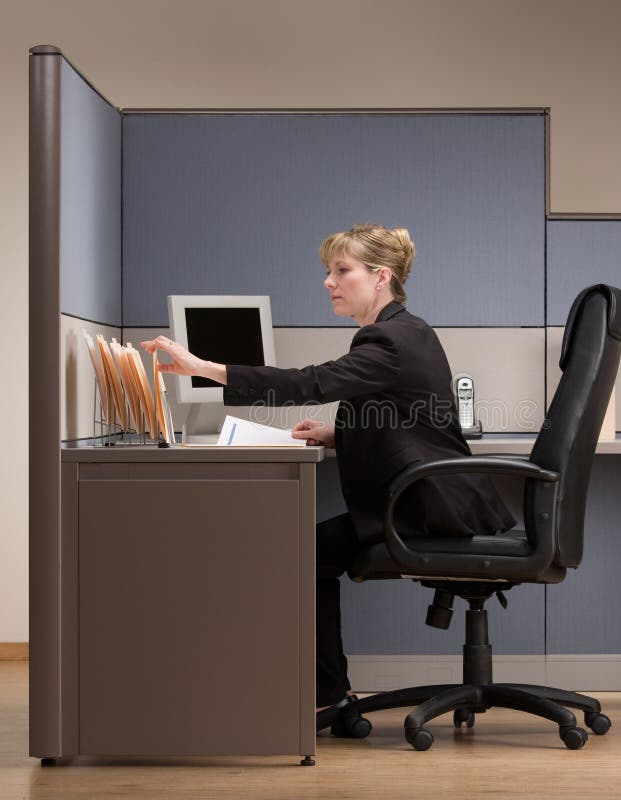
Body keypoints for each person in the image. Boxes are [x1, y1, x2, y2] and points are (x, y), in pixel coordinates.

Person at [141, 223, 515, 716]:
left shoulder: (388, 339)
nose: (328, 282)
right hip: (430, 499)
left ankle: (329, 697)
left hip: (425, 509)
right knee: (310, 551)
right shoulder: (406, 331)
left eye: (342, 270)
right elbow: (409, 420)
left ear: (380, 277)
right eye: (328, 271)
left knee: (305, 552)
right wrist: (337, 435)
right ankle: (329, 694)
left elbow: (312, 383)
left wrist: (208, 369)